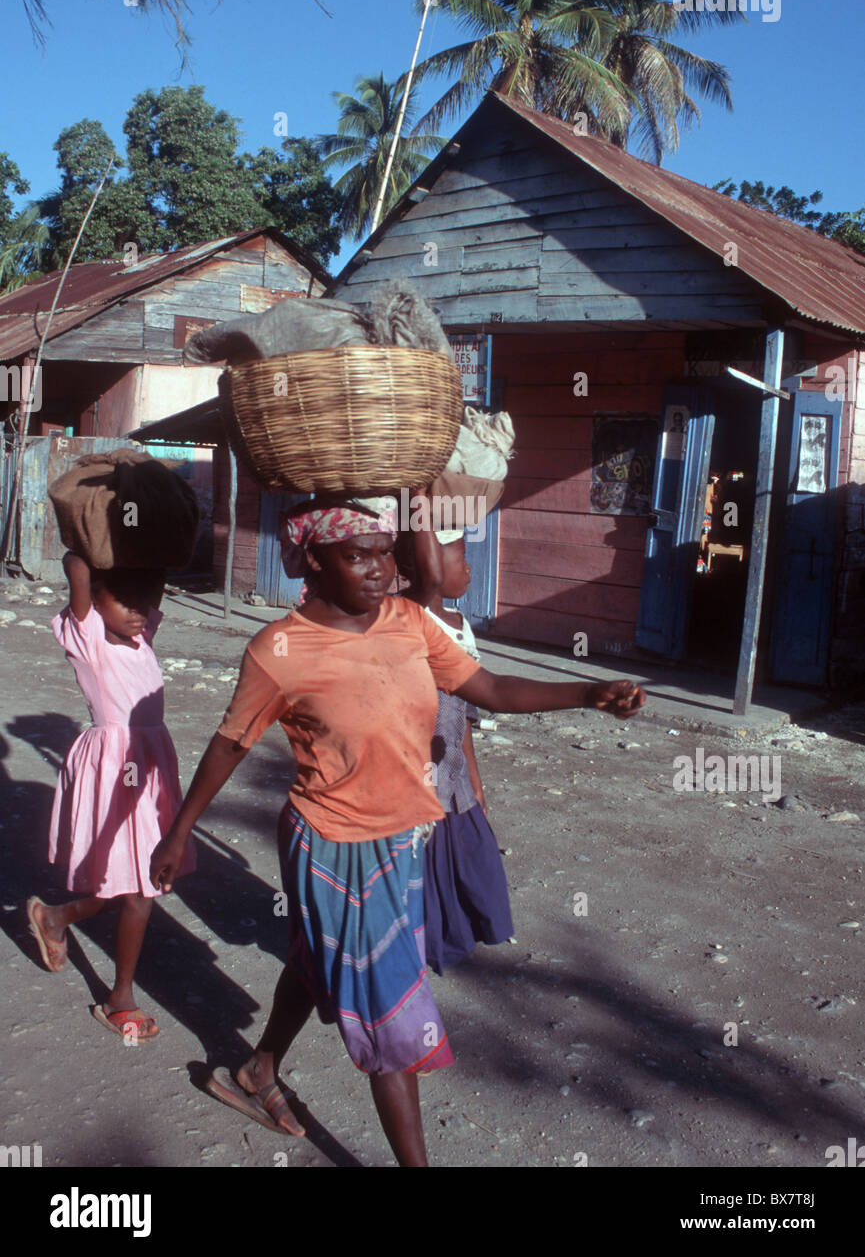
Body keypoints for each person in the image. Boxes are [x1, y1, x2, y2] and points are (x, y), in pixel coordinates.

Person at [149, 495, 644, 1167]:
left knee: (313, 960)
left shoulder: (410, 622)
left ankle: (259, 1070)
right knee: (390, 1019)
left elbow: (488, 688)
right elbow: (231, 743)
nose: (380, 569)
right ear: (314, 562)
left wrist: (585, 693)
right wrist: (179, 832)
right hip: (331, 843)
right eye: (358, 556)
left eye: (384, 553)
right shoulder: (279, 651)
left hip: (403, 841)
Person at [26, 551, 194, 1041]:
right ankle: (119, 997)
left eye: (144, 602)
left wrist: (151, 533)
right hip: (115, 774)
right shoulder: (91, 642)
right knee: (139, 888)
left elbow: (156, 574)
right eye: (123, 600)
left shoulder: (142, 638)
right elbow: (77, 563)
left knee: (134, 882)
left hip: (151, 775)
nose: (138, 610)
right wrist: (101, 534)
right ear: (94, 603)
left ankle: (55, 917)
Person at [395, 521, 514, 974]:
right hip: (414, 772)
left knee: (467, 858)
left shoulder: (461, 626)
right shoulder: (410, 616)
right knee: (419, 866)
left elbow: (465, 707)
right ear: (423, 564)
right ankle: (414, 950)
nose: (469, 566)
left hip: (452, 770)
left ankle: (451, 936)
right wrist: (421, 500)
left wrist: (475, 779)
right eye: (457, 556)